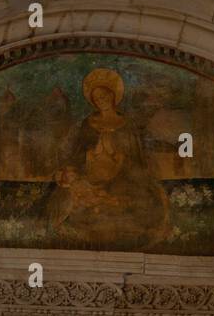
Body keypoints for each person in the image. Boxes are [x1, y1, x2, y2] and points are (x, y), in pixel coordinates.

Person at [48, 68, 168, 247]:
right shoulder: (88, 124)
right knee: (73, 200)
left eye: (104, 95)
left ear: (113, 95)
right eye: (97, 98)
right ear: (93, 102)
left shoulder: (128, 124)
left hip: (124, 176)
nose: (101, 100)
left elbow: (137, 156)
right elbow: (76, 153)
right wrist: (89, 156)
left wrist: (120, 159)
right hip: (91, 174)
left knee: (139, 201)